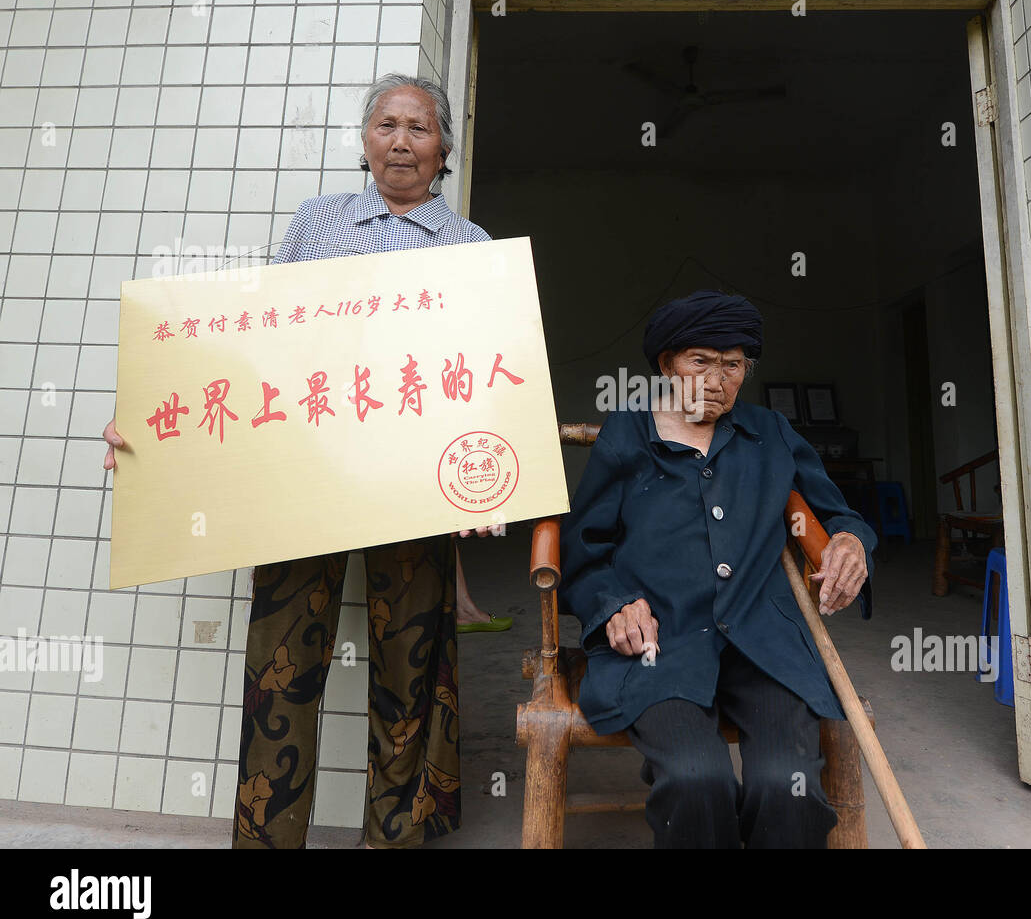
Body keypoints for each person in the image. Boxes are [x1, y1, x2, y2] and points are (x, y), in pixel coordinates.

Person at [103, 73, 500, 848]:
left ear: (445, 147)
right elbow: (249, 341)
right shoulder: (316, 223)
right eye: (385, 124)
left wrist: (487, 482)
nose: (400, 141)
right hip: (303, 477)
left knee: (406, 679)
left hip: (409, 487)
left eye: (419, 128)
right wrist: (155, 412)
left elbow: (486, 373)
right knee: (281, 673)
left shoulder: (471, 247)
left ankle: (393, 839)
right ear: (363, 141)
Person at [558, 289, 876, 849]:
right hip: (662, 643)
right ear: (667, 365)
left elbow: (837, 511)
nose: (716, 378)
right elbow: (583, 551)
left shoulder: (770, 433)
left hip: (765, 642)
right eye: (699, 361)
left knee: (789, 786)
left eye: (732, 364)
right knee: (696, 781)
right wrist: (614, 605)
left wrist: (851, 540)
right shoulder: (629, 435)